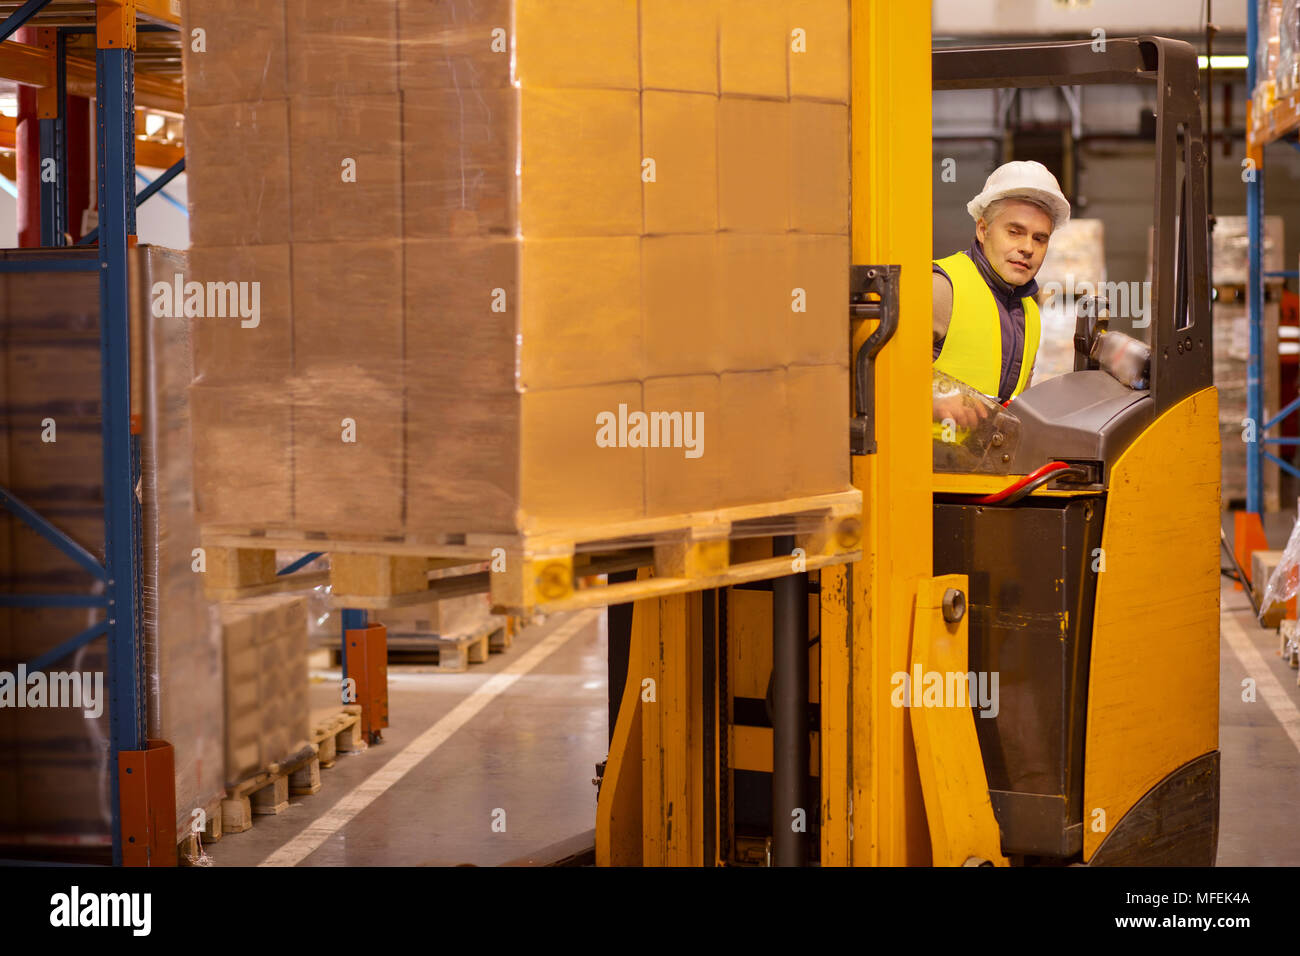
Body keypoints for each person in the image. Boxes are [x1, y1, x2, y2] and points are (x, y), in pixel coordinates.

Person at [933, 160, 1071, 429]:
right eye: (1015, 232)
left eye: (1040, 239)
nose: (1027, 248)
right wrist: (933, 398)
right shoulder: (942, 288)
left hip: (984, 466)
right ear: (983, 230)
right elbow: (878, 374)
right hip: (921, 465)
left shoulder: (1029, 311)